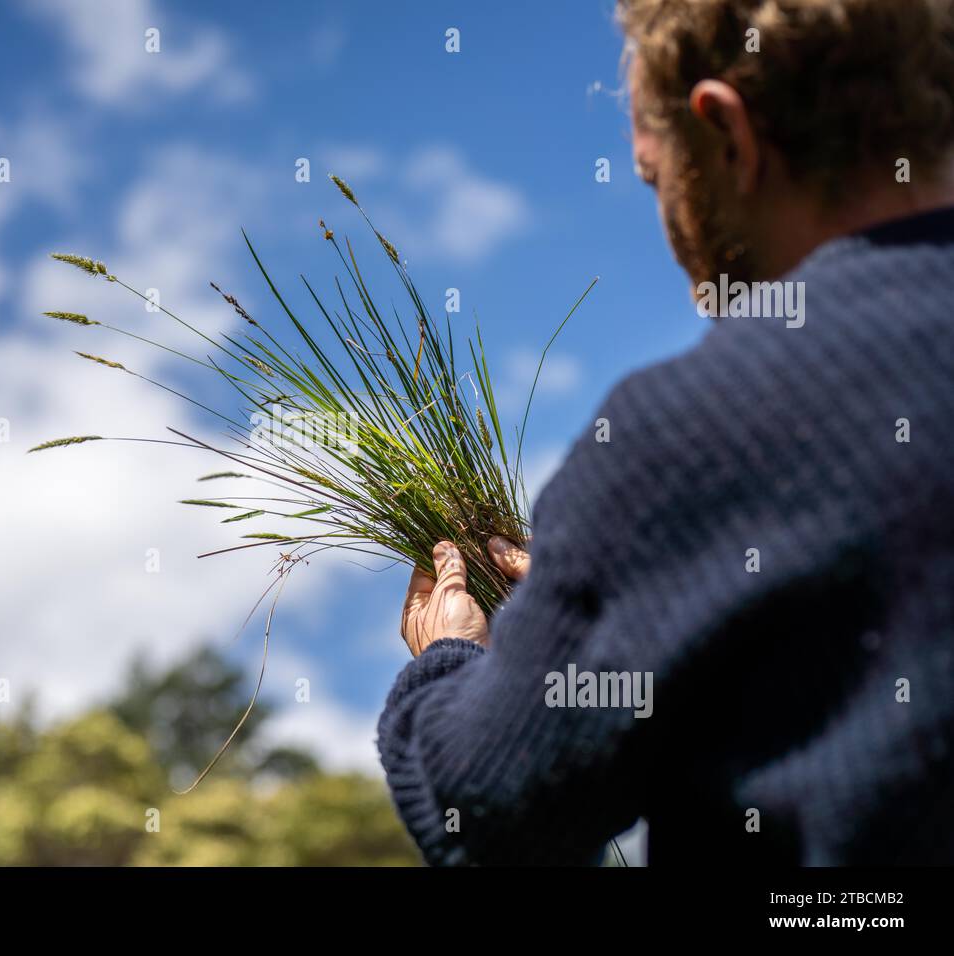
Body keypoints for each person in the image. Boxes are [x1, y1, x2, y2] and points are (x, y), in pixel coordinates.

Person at [379, 0, 954, 865]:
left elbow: (487, 809)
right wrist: (632, 598)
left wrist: (452, 659)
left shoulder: (699, 428)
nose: (674, 243)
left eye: (655, 179)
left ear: (727, 137)